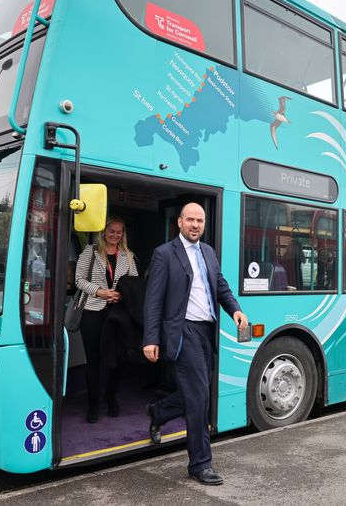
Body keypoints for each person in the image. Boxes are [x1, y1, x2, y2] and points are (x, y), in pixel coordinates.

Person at [142, 202, 248, 486]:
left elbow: (221, 285)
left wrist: (235, 309)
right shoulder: (164, 254)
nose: (195, 225)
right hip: (182, 332)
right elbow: (153, 301)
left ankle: (159, 411)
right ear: (179, 222)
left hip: (205, 332)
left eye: (199, 220)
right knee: (200, 396)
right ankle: (200, 464)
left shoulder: (209, 252)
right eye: (190, 220)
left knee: (197, 390)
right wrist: (151, 338)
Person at [75, 216, 138, 423]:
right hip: (93, 312)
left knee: (119, 358)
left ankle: (111, 397)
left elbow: (135, 285)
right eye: (111, 231)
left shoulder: (128, 256)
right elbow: (79, 280)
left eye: (119, 232)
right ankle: (93, 404)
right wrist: (101, 292)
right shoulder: (90, 252)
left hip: (117, 314)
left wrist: (122, 295)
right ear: (104, 232)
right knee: (93, 360)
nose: (115, 235)